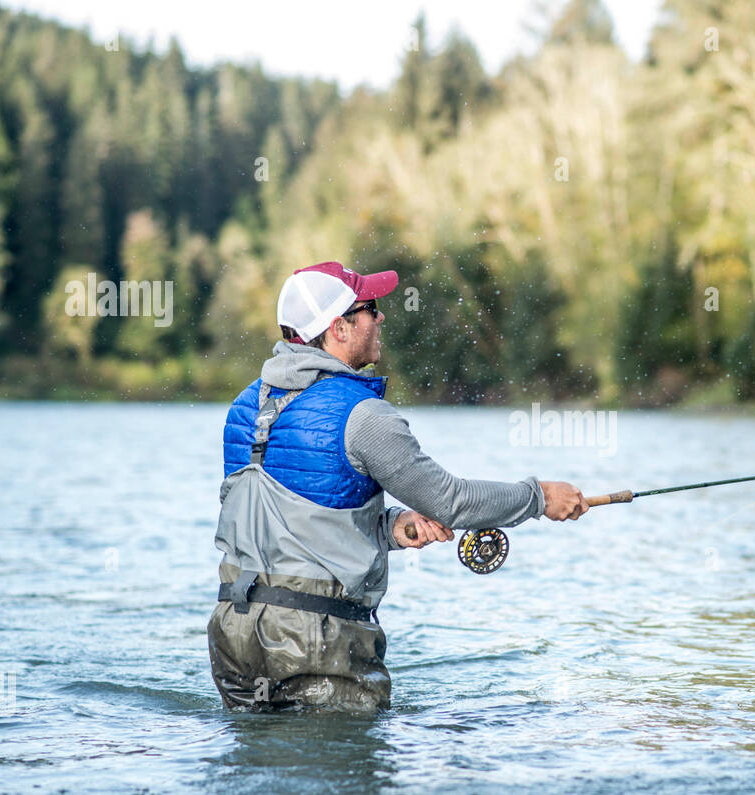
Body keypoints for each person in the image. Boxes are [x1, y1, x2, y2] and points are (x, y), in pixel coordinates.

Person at [206, 261, 588, 714]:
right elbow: (452, 501)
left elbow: (284, 523)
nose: (381, 316)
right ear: (339, 328)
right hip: (316, 642)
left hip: (235, 633)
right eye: (370, 308)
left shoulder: (245, 407)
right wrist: (540, 497)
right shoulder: (364, 415)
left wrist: (390, 529)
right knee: (343, 779)